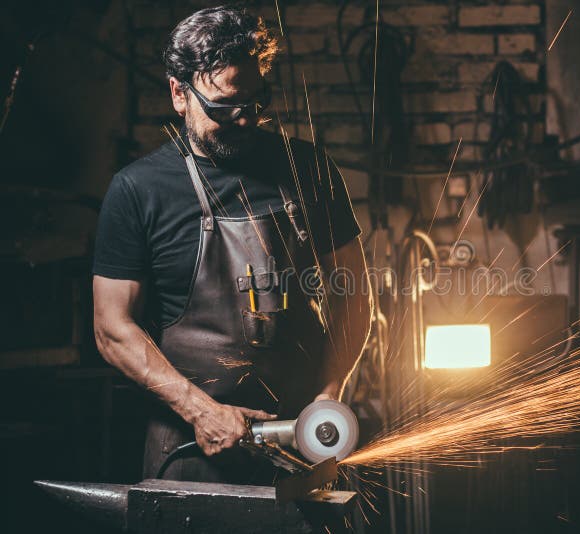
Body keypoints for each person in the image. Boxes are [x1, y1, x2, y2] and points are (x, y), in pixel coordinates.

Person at [91, 5, 371, 483]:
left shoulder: (308, 170)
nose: (244, 121)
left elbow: (354, 294)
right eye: (224, 109)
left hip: (301, 448)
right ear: (180, 94)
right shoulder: (139, 190)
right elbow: (112, 327)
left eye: (255, 103)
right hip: (190, 453)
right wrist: (200, 410)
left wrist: (330, 390)